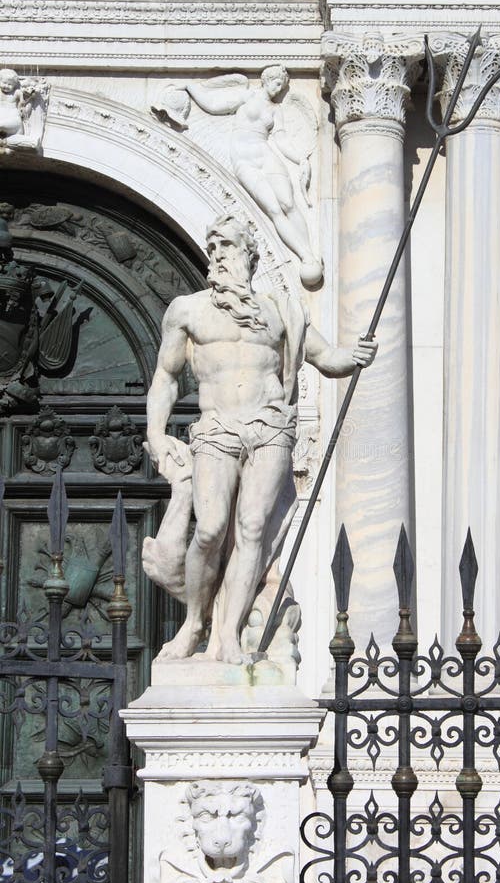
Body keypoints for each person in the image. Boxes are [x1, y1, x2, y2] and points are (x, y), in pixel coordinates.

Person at [145, 213, 377, 665]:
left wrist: (355, 356)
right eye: (213, 249)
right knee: (210, 529)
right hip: (216, 428)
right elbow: (166, 377)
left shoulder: (281, 313)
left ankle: (229, 635)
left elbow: (326, 356)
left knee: (252, 530)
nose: (218, 257)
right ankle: (195, 622)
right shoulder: (188, 311)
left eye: (227, 248)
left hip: (270, 427)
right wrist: (156, 433)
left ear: (249, 256)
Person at [185, 66, 322, 287]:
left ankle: (309, 254)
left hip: (265, 153)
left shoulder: (277, 110)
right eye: (277, 83)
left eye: (282, 86)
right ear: (266, 80)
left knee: (289, 203)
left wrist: (301, 159)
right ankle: (304, 255)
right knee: (274, 210)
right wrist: (190, 87)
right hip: (244, 158)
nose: (279, 89)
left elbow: (281, 140)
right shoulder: (247, 96)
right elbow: (214, 105)